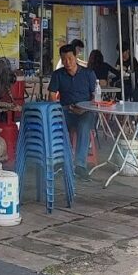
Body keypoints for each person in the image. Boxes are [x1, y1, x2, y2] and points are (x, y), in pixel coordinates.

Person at [49, 43, 99, 180]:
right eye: (64, 59)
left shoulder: (88, 73)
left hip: (86, 111)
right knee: (56, 124)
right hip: (66, 110)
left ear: (76, 57)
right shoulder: (58, 74)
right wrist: (58, 108)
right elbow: (52, 95)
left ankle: (80, 165)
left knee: (83, 126)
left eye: (70, 58)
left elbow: (95, 96)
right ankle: (60, 161)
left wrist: (84, 108)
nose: (67, 62)